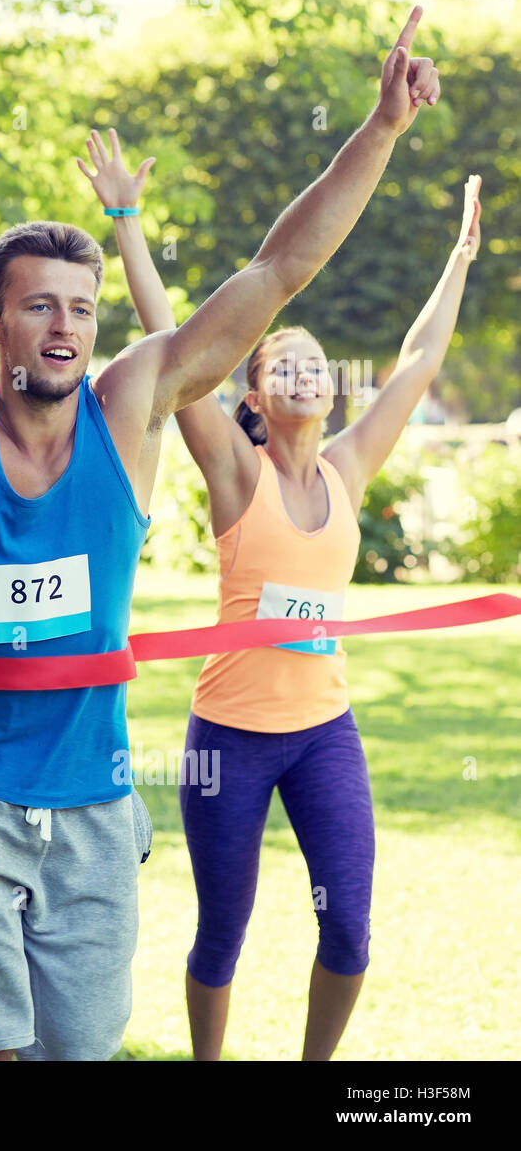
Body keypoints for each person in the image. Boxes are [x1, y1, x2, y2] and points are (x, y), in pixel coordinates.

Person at [0, 0, 438, 1060]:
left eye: (80, 306)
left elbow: (275, 268)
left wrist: (382, 129)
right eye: (38, 305)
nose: (64, 325)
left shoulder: (131, 410)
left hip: (92, 796)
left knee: (76, 1044)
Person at [169, 178, 482, 1062]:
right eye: (282, 364)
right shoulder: (236, 472)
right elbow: (179, 362)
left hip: (322, 733)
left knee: (348, 925)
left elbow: (418, 362)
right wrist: (125, 229)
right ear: (257, 399)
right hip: (227, 737)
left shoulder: (350, 468)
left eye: (315, 362)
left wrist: (458, 259)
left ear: (331, 392)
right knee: (221, 932)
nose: (306, 370)